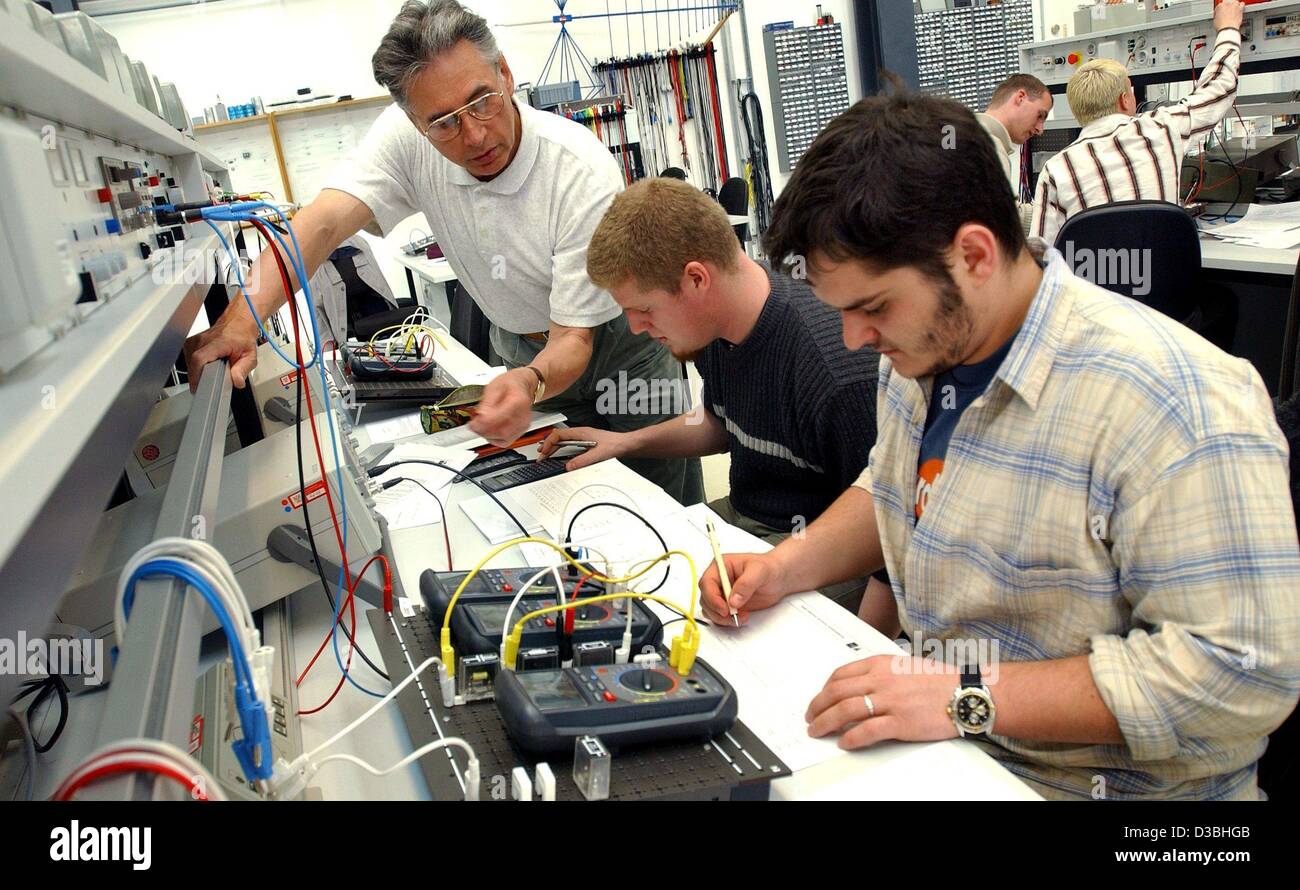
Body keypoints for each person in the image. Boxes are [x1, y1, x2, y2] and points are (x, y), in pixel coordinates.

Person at [698, 87, 1300, 800]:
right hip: (956, 753)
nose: (856, 339)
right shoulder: (918, 359)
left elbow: (1242, 675)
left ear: (975, 256)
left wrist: (964, 696)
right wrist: (788, 565)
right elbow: (892, 487)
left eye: (873, 308)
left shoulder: (1175, 401)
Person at [184, 0, 701, 504]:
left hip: (620, 348)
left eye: (483, 100)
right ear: (414, 122)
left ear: (505, 72)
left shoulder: (577, 169)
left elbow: (574, 337)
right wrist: (241, 321)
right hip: (523, 346)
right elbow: (319, 226)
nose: (474, 134)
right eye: (445, 122)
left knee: (657, 498)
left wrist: (531, 380)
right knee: (563, 498)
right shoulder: (405, 140)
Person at [538, 178, 884, 614]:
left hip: (824, 558)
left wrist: (867, 661)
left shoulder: (834, 371)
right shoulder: (717, 326)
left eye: (643, 310)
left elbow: (889, 544)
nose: (636, 328)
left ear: (696, 279)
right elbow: (721, 423)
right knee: (621, 576)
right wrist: (626, 441)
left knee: (679, 624)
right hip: (747, 524)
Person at [1031, 0, 1244, 245]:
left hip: (1094, 280)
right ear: (1124, 100)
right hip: (1166, 281)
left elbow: (1042, 256)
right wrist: (1228, 29)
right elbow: (1219, 89)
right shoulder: (1162, 128)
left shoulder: (1056, 169)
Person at [977, 74, 1052, 193]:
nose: (1040, 130)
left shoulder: (965, 137)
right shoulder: (990, 150)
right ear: (1020, 97)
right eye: (1040, 116)